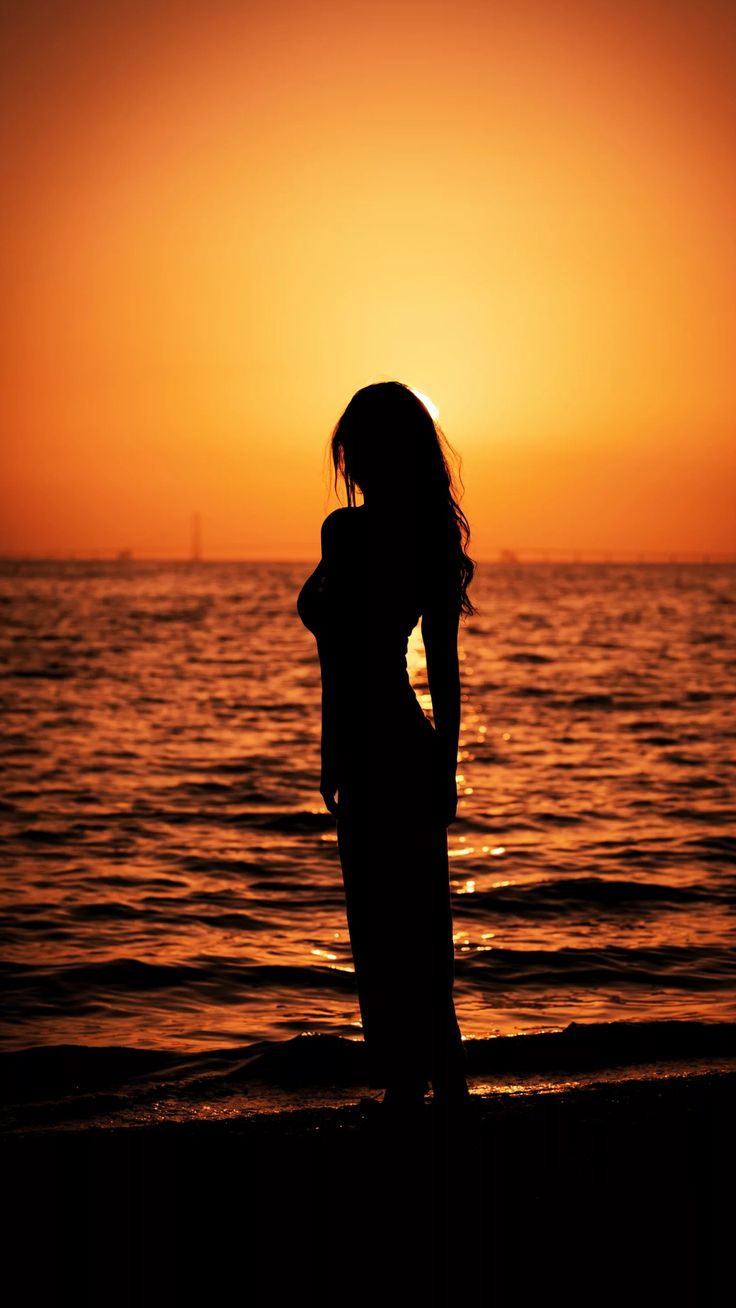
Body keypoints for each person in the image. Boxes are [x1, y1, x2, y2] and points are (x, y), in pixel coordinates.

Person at [296, 380, 477, 1118]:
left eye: (360, 449)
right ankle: (428, 1077)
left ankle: (423, 1080)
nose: (353, 463)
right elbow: (424, 663)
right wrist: (438, 763)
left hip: (384, 745)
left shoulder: (353, 535)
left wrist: (443, 770)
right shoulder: (411, 535)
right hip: (393, 740)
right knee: (402, 918)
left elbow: (425, 660)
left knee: (391, 918)